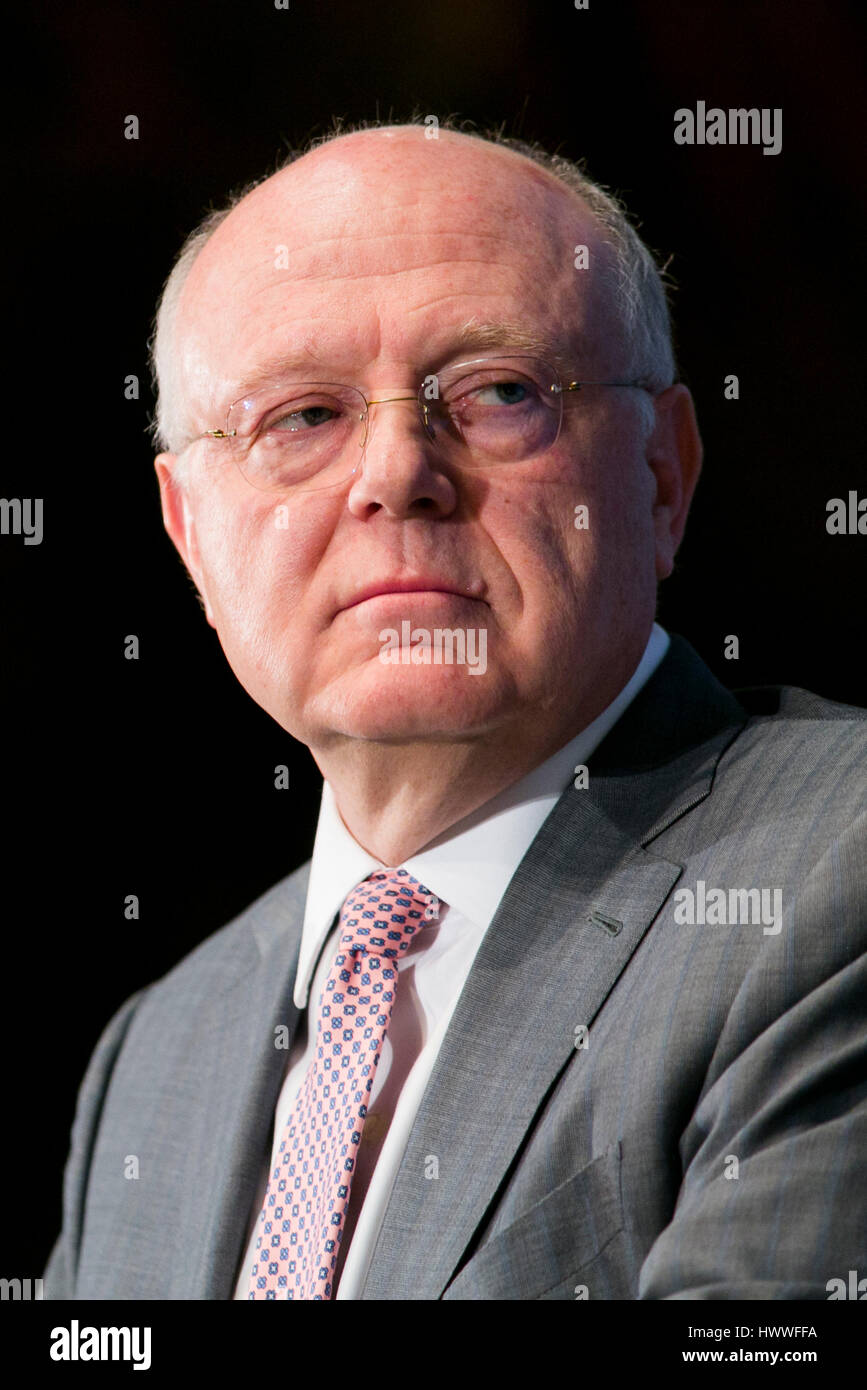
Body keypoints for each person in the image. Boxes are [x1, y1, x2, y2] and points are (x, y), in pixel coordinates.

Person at [45, 120, 866, 1301]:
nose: (395, 471)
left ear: (662, 476)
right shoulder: (159, 1051)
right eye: (303, 417)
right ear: (190, 538)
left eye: (495, 392)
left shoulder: (834, 882)